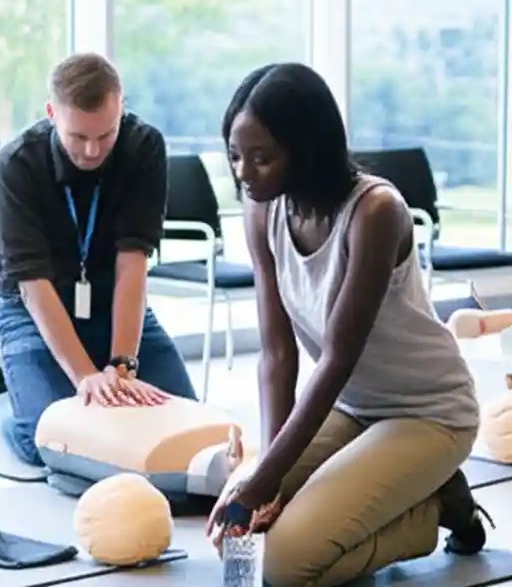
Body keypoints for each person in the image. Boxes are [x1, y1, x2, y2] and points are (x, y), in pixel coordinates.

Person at [208, 62, 489, 586]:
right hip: (351, 409)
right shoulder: (262, 209)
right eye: (234, 155)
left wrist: (264, 480)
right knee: (240, 541)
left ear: (306, 148)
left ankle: (432, 511)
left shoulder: (375, 211)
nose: (244, 173)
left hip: (427, 413)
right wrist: (270, 476)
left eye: (261, 157)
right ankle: (407, 489)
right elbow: (276, 353)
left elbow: (337, 358)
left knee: (285, 567)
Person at [0, 52, 198, 465]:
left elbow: (132, 265)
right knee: (47, 440)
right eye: (78, 137)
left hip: (110, 296)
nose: (93, 150)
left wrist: (121, 368)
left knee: (182, 423)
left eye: (106, 134)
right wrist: (86, 378)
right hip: (33, 308)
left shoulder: (144, 146)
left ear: (122, 109)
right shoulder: (14, 165)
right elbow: (33, 287)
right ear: (51, 113)